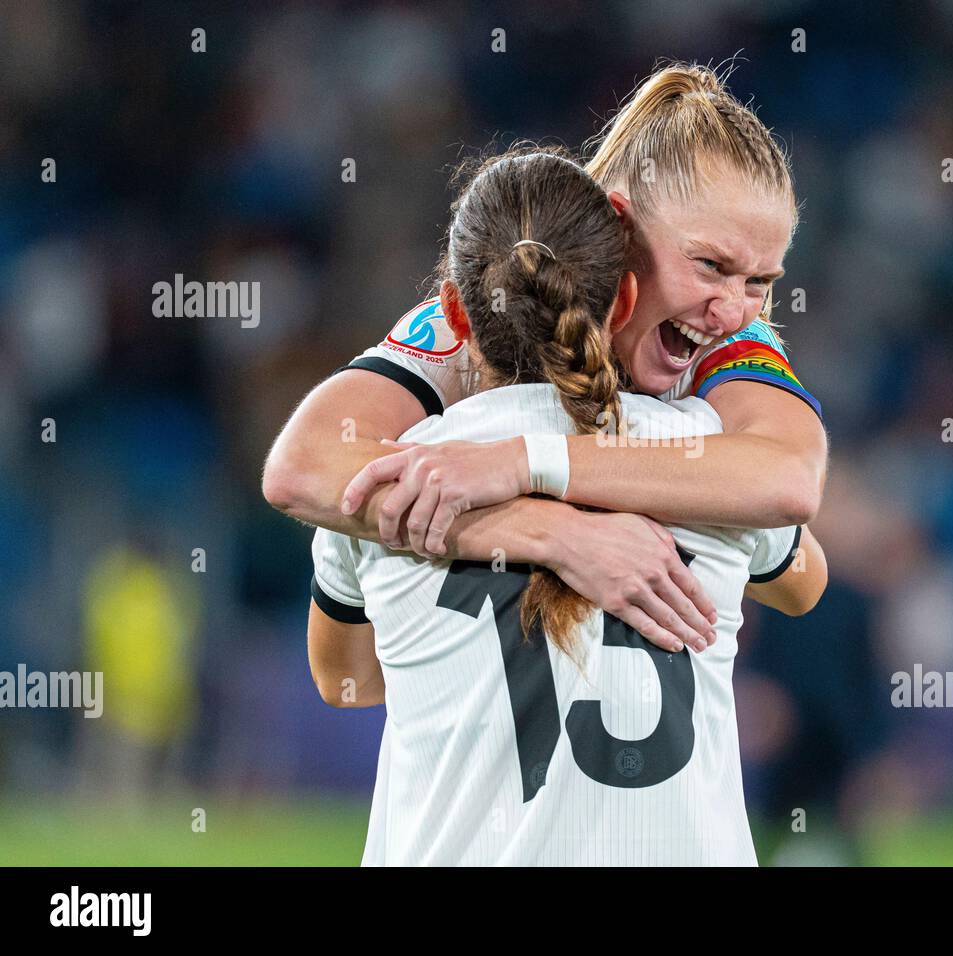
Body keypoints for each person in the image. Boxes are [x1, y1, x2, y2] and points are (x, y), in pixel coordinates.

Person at [307, 149, 826, 864]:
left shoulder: (400, 474)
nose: (736, 306)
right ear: (621, 301)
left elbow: (348, 682)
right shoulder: (708, 461)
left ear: (454, 310)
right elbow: (806, 578)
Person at [264, 62, 828, 654]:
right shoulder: (479, 315)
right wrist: (551, 533)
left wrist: (521, 466)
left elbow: (792, 502)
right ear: (620, 223)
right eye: (709, 265)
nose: (734, 310)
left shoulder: (732, 342)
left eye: (762, 281)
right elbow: (299, 468)